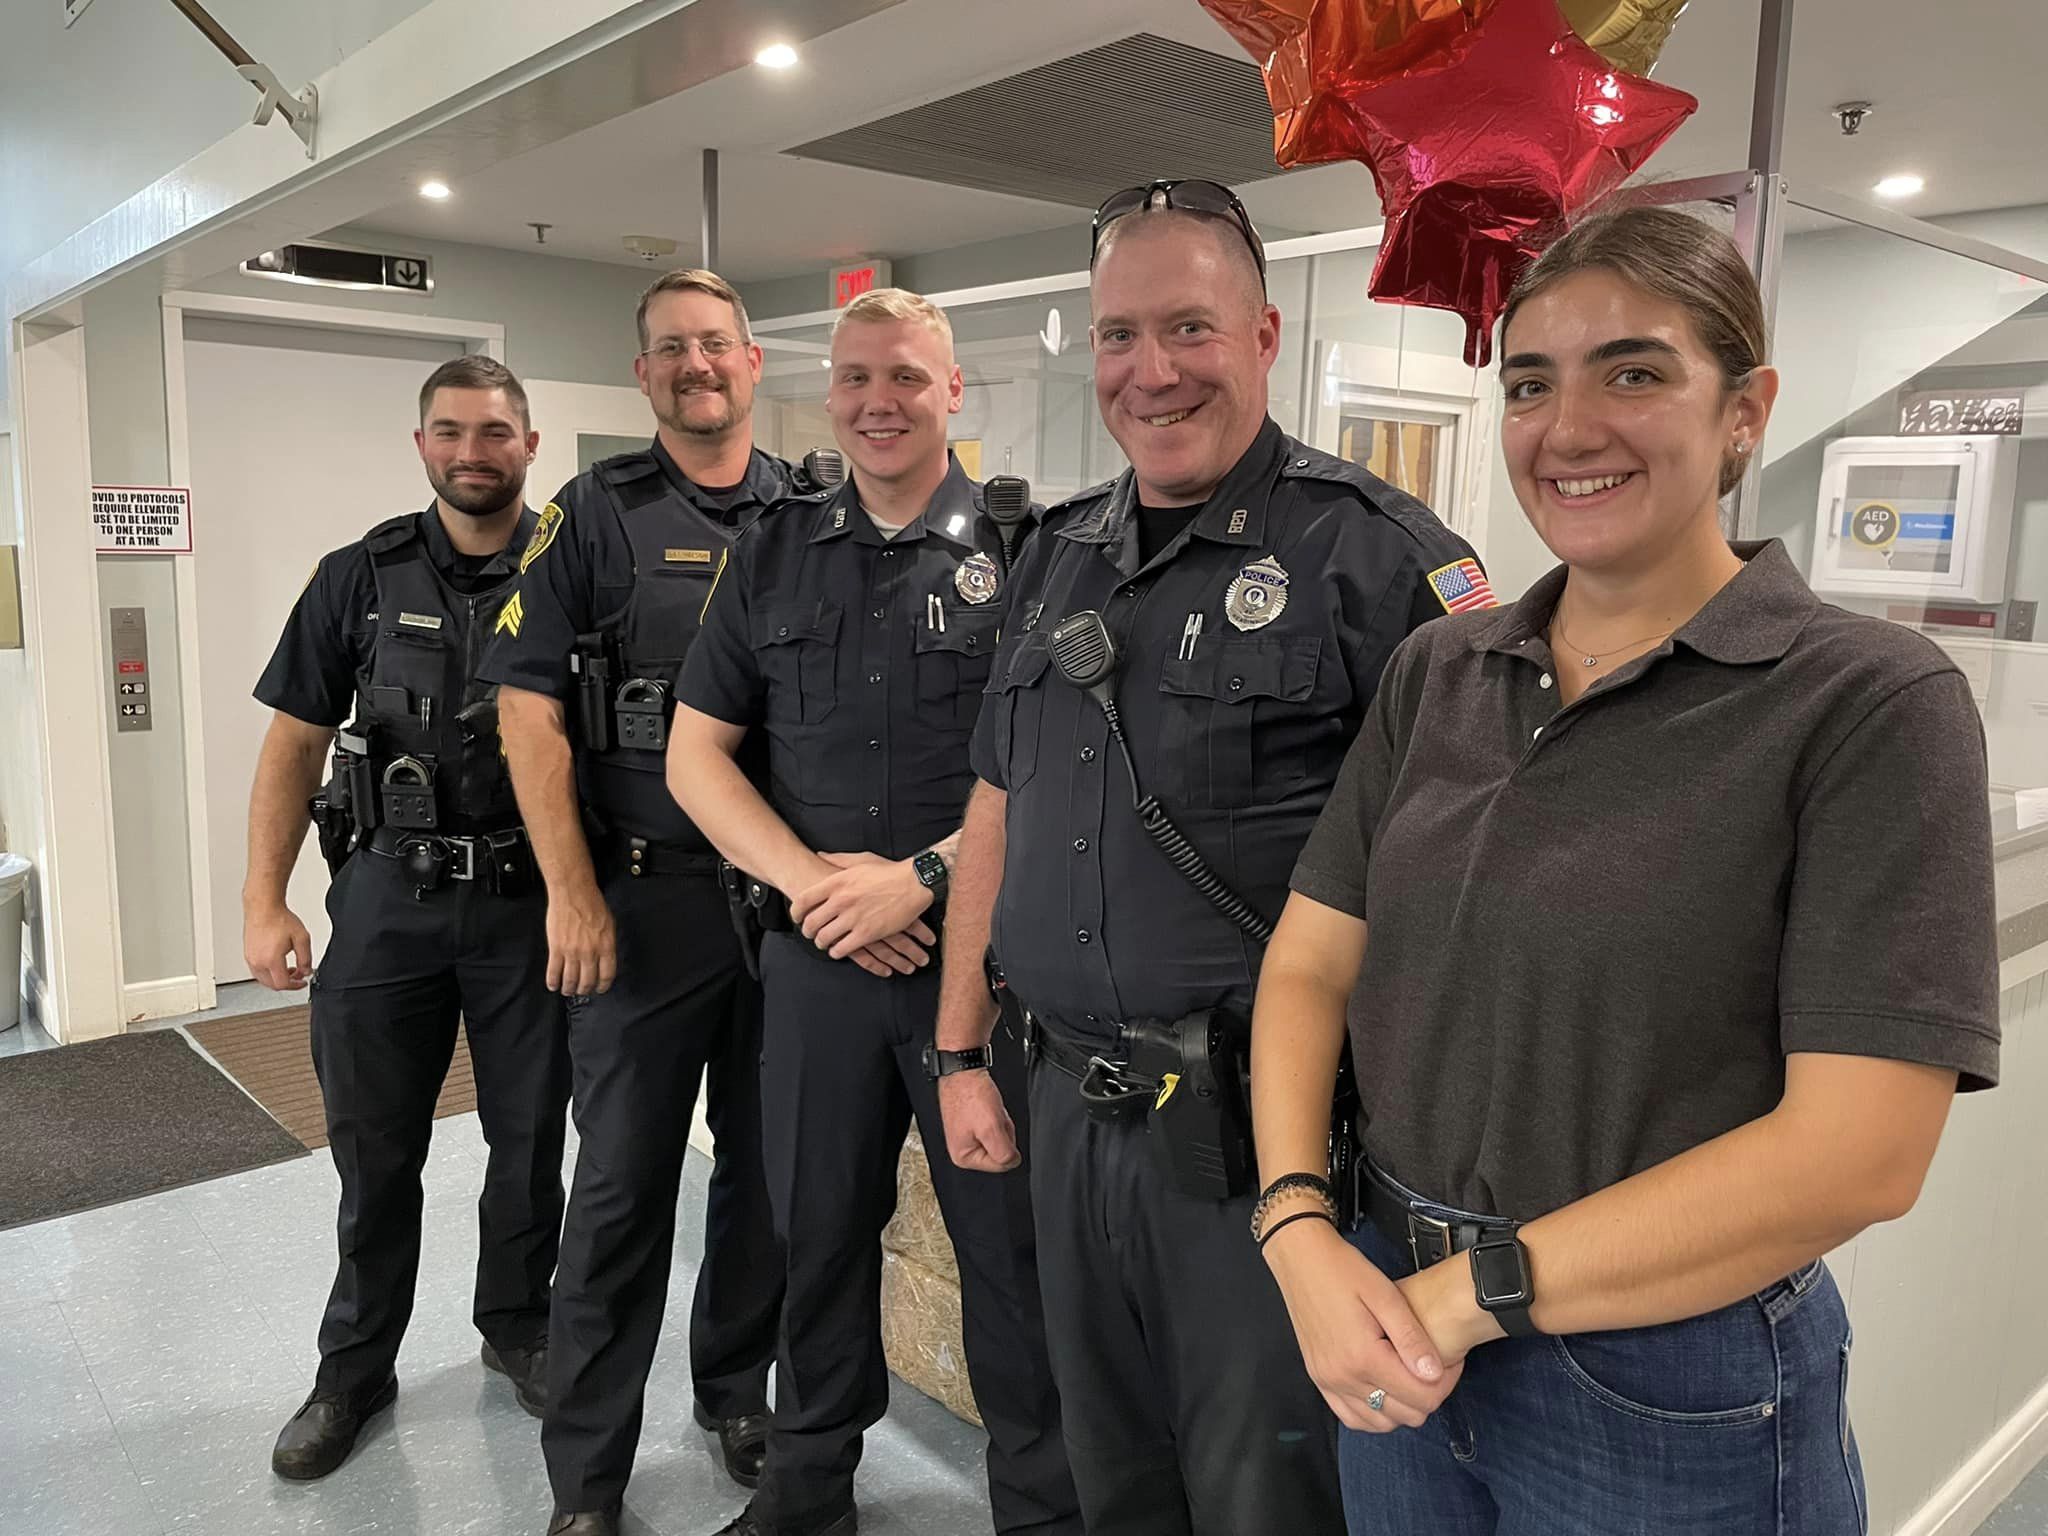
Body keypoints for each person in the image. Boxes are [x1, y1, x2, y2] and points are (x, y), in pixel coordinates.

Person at [1252, 206, 2001, 1535]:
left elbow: (1858, 1157)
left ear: (1745, 411)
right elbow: (1312, 959)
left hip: (1663, 1381)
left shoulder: (1866, 704)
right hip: (1390, 1310)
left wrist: (1473, 1290)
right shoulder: (1444, 669)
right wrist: (1299, 1226)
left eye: (1636, 372)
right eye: (1532, 383)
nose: (1569, 427)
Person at [930, 180, 1485, 1535]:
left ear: (1265, 336)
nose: (1152, 371)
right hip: (1064, 1102)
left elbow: (1471, 897)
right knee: (1103, 1460)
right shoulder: (1058, 557)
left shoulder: (1390, 565)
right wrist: (957, 1054)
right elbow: (999, 804)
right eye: (1121, 336)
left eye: (1190, 327)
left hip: (1263, 1137)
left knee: (1265, 1489)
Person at [668, 287, 1080, 1536]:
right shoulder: (773, 552)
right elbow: (695, 757)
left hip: (987, 975)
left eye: (904, 376)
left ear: (955, 391)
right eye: (853, 378)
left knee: (1007, 1251)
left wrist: (926, 877)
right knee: (816, 1230)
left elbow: (1064, 761)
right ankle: (808, 1491)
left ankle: (1044, 1509)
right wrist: (818, 889)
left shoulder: (1032, 554)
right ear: (828, 392)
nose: (876, 402)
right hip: (818, 964)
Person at [482, 270, 814, 1536]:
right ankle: (586, 1483)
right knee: (620, 1190)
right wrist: (569, 891)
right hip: (642, 906)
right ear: (644, 376)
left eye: (715, 345)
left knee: (767, 1175)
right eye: (671, 349)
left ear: (750, 359)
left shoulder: (813, 508)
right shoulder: (590, 515)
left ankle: (738, 1394)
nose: (697, 366)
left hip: (783, 911)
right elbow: (527, 712)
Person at [247, 354, 568, 1481]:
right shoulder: (359, 576)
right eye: (449, 432)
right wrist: (262, 900)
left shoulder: (576, 570)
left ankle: (520, 1326)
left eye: (493, 432)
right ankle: (353, 1368)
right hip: (388, 898)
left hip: (535, 900)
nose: (471, 452)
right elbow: (290, 739)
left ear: (530, 445)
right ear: (421, 444)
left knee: (530, 1144)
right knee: (373, 1150)